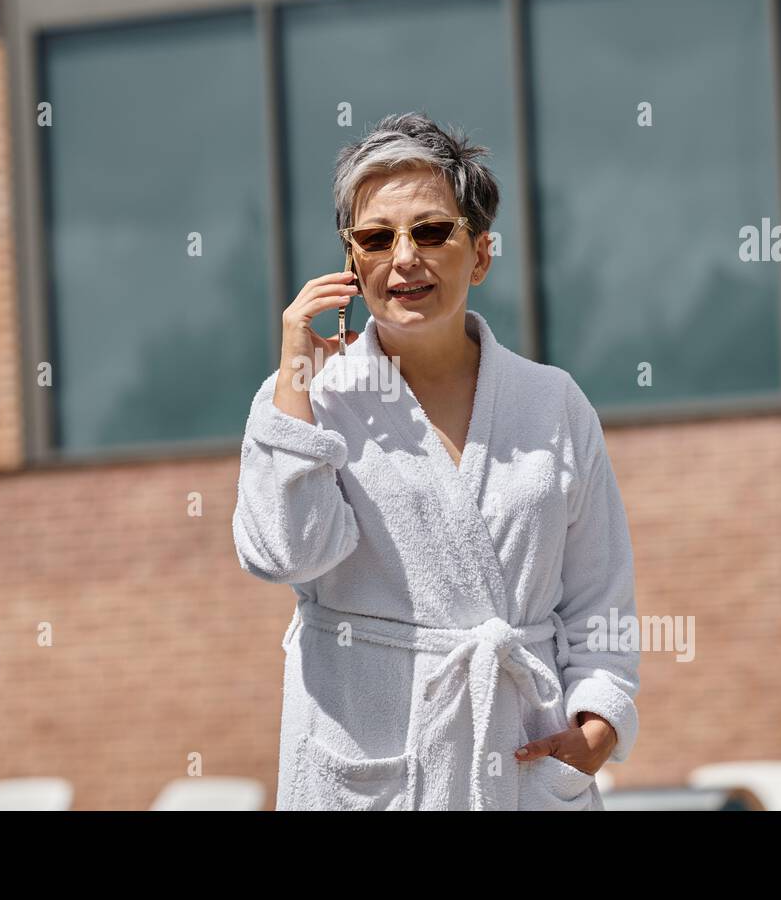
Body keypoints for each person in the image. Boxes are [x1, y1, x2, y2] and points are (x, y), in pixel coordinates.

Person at [232, 111, 640, 810]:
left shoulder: (551, 402)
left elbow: (600, 591)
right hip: (372, 765)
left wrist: (600, 718)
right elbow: (285, 554)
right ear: (351, 262)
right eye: (375, 238)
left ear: (480, 253)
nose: (404, 257)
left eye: (430, 232)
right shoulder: (307, 401)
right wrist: (295, 368)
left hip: (522, 762)